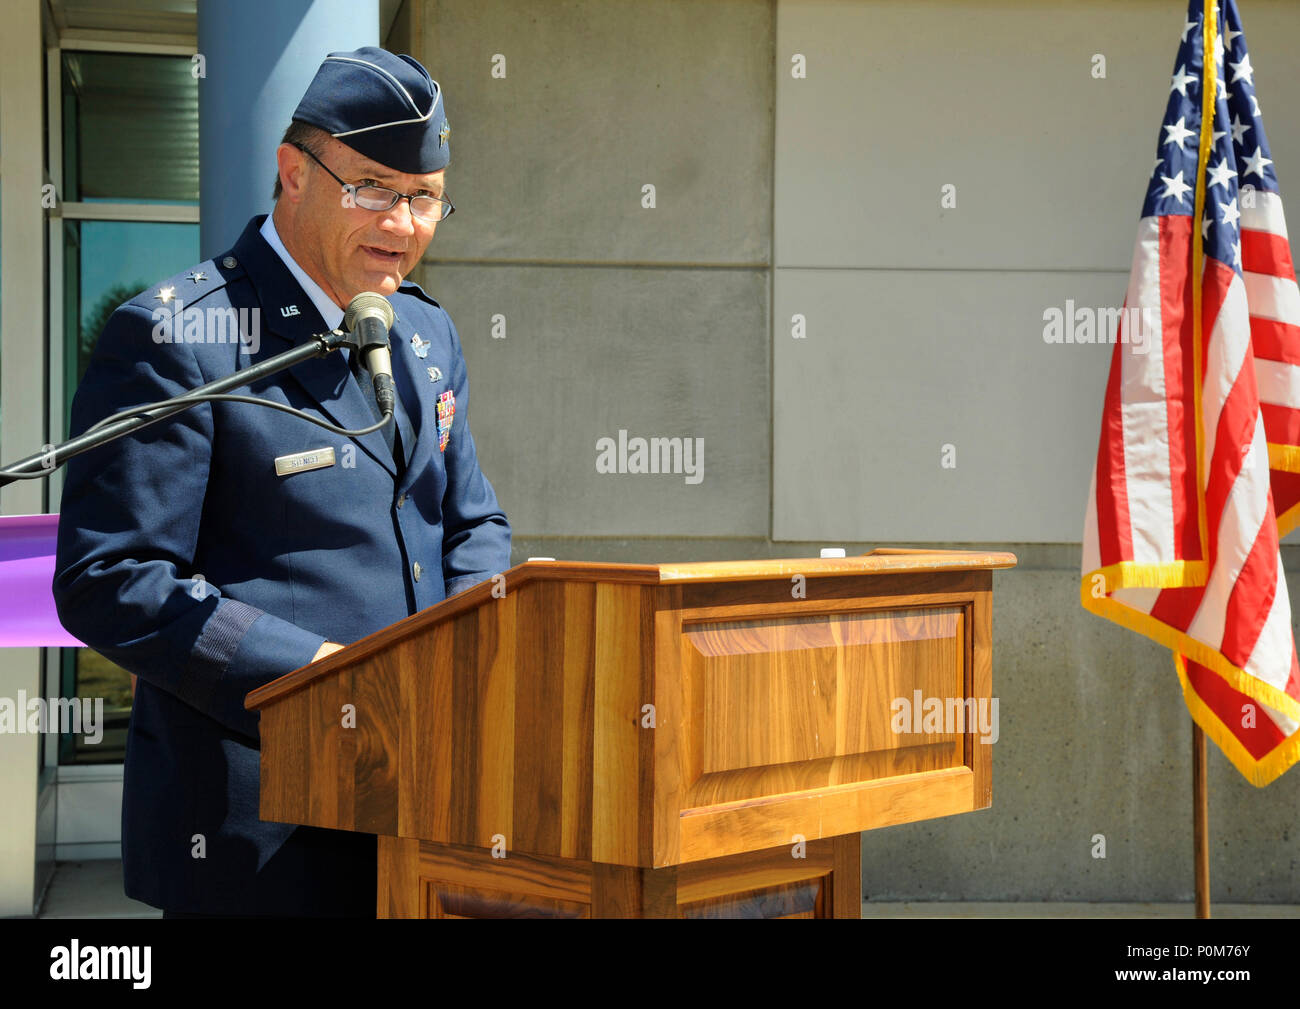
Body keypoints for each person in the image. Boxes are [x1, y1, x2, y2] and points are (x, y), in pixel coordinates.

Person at [52, 47, 511, 917]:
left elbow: (469, 518)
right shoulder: (179, 338)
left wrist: (472, 660)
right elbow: (112, 579)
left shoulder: (422, 331)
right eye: (374, 187)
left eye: (425, 197)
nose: (405, 224)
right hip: (259, 829)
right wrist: (320, 676)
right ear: (293, 172)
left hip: (423, 802)